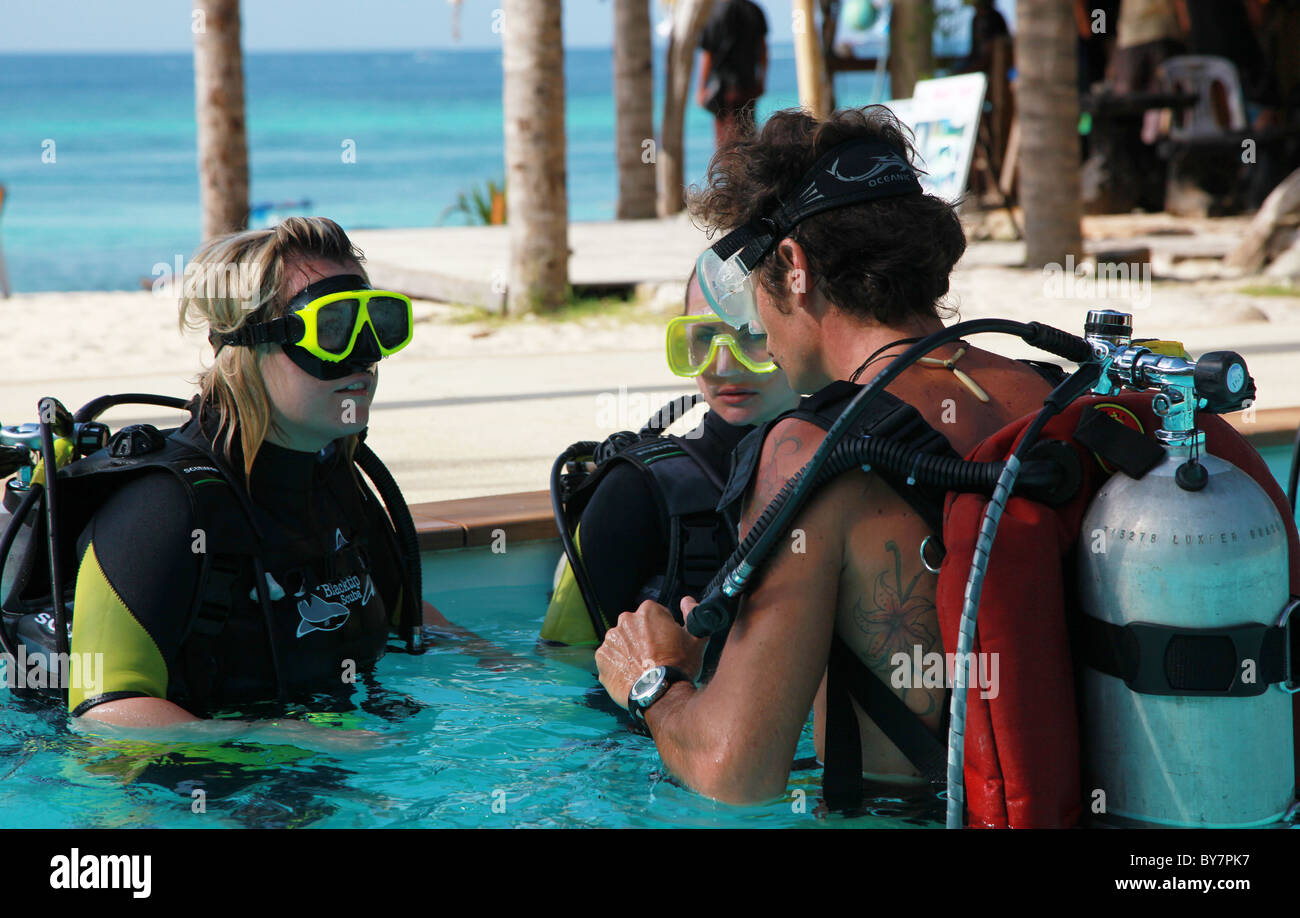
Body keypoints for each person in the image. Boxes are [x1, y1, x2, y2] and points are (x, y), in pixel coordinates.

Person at [594, 107, 1059, 805]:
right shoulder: (1052, 394)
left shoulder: (808, 451)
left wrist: (653, 682)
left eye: (753, 285)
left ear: (793, 267)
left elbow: (735, 773)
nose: (755, 322)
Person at [65, 217, 457, 736]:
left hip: (338, 757)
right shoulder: (162, 507)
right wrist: (286, 740)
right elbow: (103, 715)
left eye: (379, 323)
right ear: (248, 345)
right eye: (335, 328)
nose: (367, 355)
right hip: (198, 794)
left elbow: (404, 615)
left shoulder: (335, 472)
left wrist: (501, 668)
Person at [541, 269, 798, 647]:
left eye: (753, 334)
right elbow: (563, 666)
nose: (724, 366)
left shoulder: (859, 457)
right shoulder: (633, 488)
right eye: (705, 337)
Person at [697, 0, 768, 148]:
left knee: (726, 144)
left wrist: (702, 88)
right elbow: (763, 51)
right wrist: (761, 80)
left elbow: (708, 55)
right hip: (747, 86)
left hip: (722, 90)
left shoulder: (713, 12)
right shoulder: (754, 10)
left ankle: (732, 171)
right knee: (748, 140)